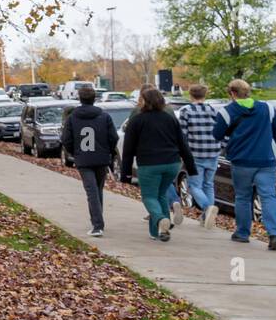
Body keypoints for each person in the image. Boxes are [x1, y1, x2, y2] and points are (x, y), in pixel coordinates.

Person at [211, 79, 276, 250]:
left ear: (232, 93)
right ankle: (274, 234)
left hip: (241, 161)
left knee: (243, 197)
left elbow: (217, 135)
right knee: (268, 197)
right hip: (265, 161)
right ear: (248, 91)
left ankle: (243, 233)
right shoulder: (268, 108)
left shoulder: (226, 112)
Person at [120, 86, 196, 242]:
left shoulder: (137, 120)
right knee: (161, 194)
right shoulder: (170, 119)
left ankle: (161, 218)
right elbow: (183, 144)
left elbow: (128, 149)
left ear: (144, 101)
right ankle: (160, 232)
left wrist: (126, 174)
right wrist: (191, 166)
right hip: (172, 163)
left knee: (149, 196)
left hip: (149, 164)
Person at [61, 85, 118, 237]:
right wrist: (109, 151)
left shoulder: (72, 118)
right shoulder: (104, 116)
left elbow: (66, 139)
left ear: (80, 99)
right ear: (94, 99)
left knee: (92, 191)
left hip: (84, 159)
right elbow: (114, 137)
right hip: (101, 158)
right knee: (97, 190)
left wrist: (75, 152)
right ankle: (98, 221)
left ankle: (97, 224)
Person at [176, 84, 222, 229]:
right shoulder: (215, 110)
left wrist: (181, 153)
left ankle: (208, 209)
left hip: (195, 153)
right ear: (205, 94)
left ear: (190, 95)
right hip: (213, 152)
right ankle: (206, 217)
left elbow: (182, 135)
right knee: (208, 184)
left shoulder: (185, 111)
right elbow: (221, 131)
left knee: (194, 185)